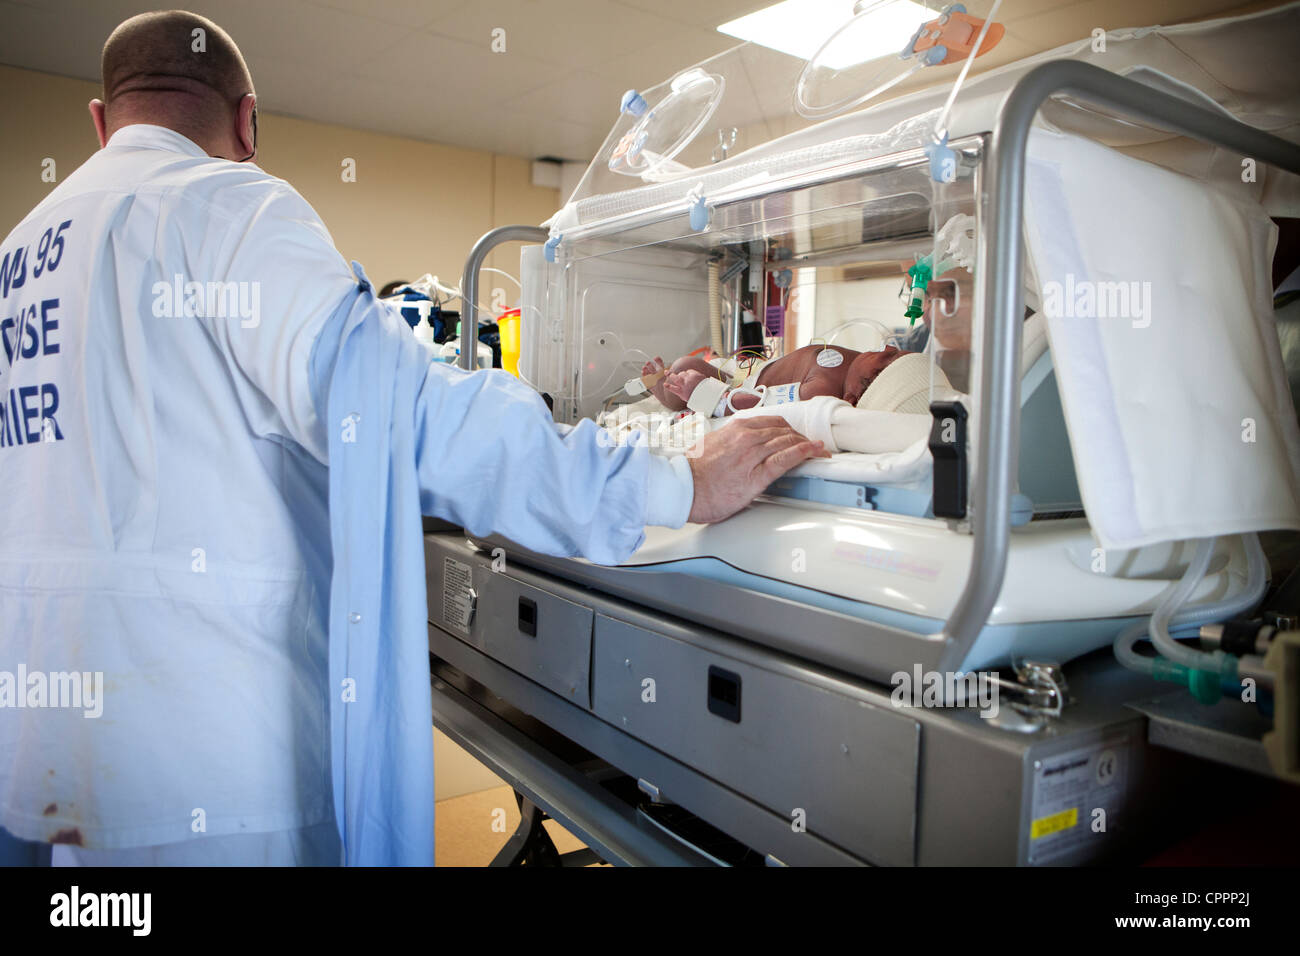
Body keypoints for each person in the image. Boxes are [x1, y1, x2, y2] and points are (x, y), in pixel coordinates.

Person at [0, 11, 826, 867]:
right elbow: (402, 415)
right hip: (210, 766)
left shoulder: (19, 254)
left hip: (49, 765)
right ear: (248, 122)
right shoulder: (227, 210)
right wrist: (669, 484)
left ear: (100, 121)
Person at [644, 344, 914, 416]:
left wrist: (707, 396)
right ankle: (668, 381)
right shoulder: (858, 359)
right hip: (755, 370)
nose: (886, 352)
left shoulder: (823, 392)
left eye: (879, 372)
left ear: (852, 399)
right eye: (892, 355)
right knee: (686, 364)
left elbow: (761, 404)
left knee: (685, 367)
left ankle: (661, 388)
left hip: (744, 387)